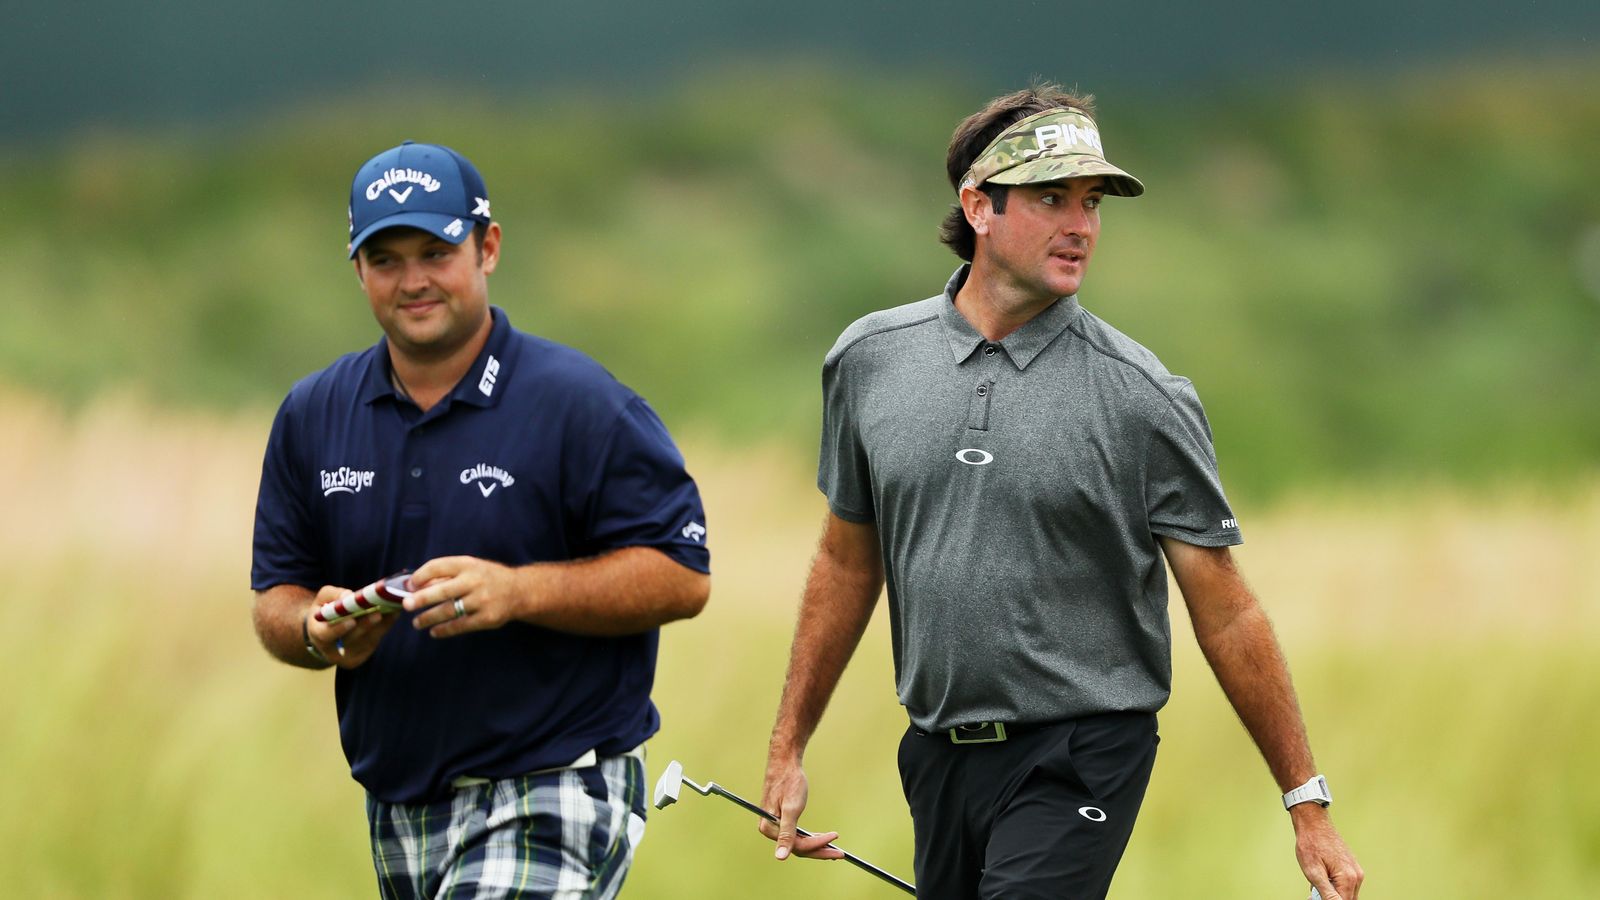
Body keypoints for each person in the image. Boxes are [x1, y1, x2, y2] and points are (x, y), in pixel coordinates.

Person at [758, 85, 1364, 899]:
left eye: (1090, 203)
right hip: (936, 753)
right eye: (1051, 199)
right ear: (979, 205)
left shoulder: (1142, 395)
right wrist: (788, 749)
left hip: (1083, 754)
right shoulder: (869, 361)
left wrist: (1305, 801)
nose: (1081, 226)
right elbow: (844, 562)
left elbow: (1226, 607)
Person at [250, 141, 711, 899]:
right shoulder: (312, 415)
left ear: (487, 247)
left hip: (554, 788)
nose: (414, 280)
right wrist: (316, 627)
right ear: (357, 268)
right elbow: (276, 598)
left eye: (436, 251)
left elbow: (681, 575)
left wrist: (517, 593)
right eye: (387, 259)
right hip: (399, 806)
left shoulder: (580, 403)